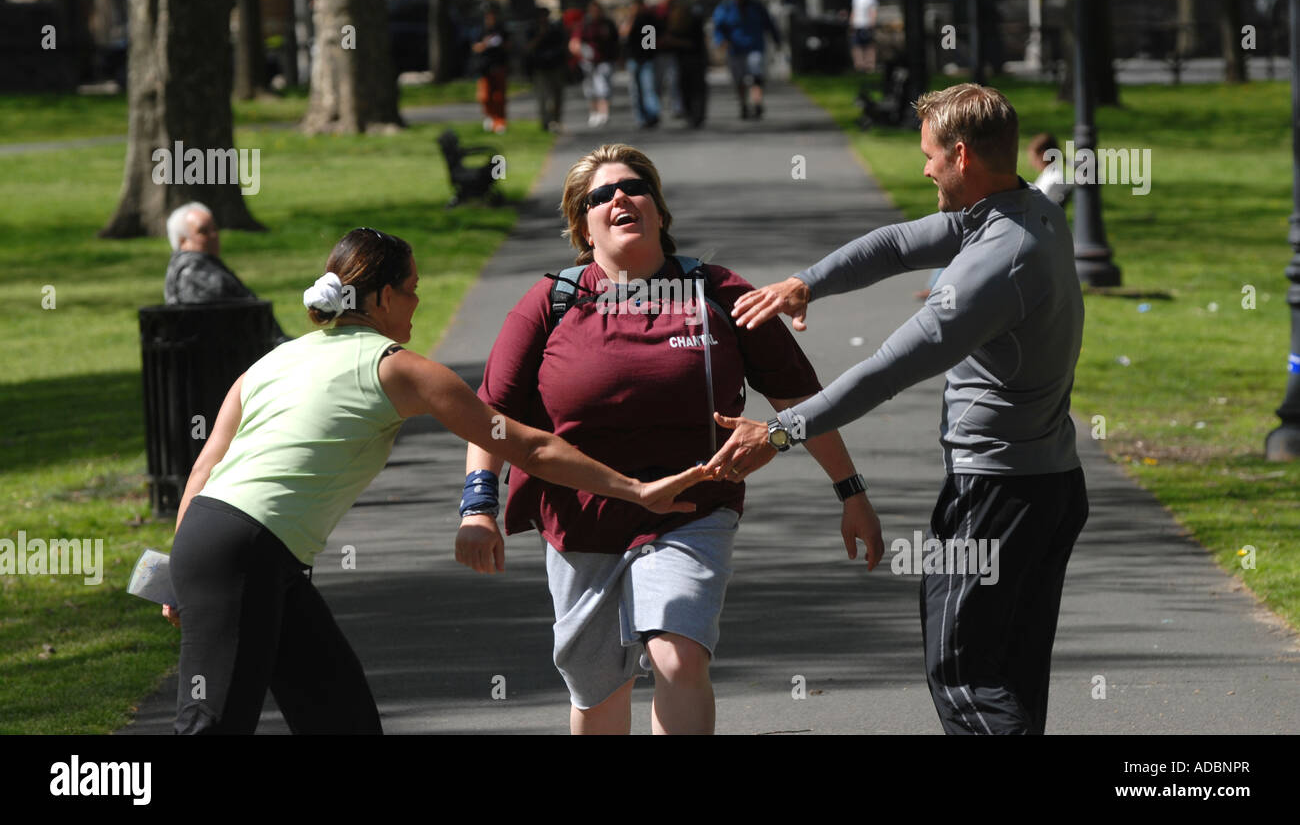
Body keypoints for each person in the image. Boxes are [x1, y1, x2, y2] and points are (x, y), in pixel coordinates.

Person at [162, 227, 705, 734]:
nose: (417, 302)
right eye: (411, 289)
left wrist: (179, 566)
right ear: (380, 300)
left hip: (229, 545)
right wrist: (635, 489)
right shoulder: (396, 368)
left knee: (340, 717)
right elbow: (529, 445)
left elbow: (206, 467)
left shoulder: (273, 361)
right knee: (212, 723)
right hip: (248, 551)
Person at [455, 143, 884, 735]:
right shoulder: (549, 303)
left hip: (692, 510)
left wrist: (850, 491)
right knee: (599, 689)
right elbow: (493, 414)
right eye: (600, 196)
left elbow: (798, 399)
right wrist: (479, 505)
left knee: (678, 656)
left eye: (633, 187)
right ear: (582, 225)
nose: (619, 199)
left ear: (658, 208)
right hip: (581, 518)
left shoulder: (719, 294)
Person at [705, 84, 1089, 736]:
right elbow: (896, 244)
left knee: (964, 675)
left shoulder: (995, 265)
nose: (924, 168)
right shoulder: (1020, 210)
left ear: (962, 156)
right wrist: (808, 283)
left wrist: (777, 433)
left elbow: (886, 369)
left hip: (995, 497)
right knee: (1008, 676)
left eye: (930, 155)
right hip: (1046, 487)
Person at [164, 201, 289, 344]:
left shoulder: (199, 266)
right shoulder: (193, 273)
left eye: (215, 229)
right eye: (203, 231)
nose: (213, 235)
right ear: (183, 241)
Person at [712, 0, 781, 120]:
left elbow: (769, 23)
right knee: (739, 80)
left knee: (756, 76)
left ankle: (757, 104)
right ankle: (743, 105)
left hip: (754, 47)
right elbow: (718, 27)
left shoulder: (756, 6)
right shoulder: (726, 7)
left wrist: (777, 40)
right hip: (735, 49)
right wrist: (720, 40)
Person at [660, 0, 709, 128]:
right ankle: (693, 115)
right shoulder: (673, 23)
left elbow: (694, 44)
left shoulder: (691, 21)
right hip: (685, 60)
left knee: (691, 89)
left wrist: (672, 42)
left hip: (691, 60)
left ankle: (695, 116)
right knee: (689, 89)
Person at [571, 1, 619, 128]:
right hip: (588, 61)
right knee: (590, 88)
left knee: (603, 86)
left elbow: (616, 41)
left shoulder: (607, 24)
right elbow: (575, 42)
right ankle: (594, 113)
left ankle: (604, 113)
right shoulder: (584, 24)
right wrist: (579, 51)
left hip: (605, 60)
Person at [620, 0, 661, 129]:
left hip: (646, 59)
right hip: (633, 58)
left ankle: (652, 115)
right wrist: (631, 18)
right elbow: (623, 34)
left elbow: (651, 41)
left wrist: (648, 55)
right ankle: (641, 118)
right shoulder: (629, 19)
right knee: (636, 91)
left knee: (648, 88)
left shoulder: (649, 18)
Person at [525, 5, 568, 132]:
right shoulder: (532, 29)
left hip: (555, 66)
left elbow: (562, 45)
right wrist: (541, 35)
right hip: (540, 67)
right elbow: (528, 48)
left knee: (557, 95)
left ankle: (556, 120)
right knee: (543, 96)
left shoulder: (555, 28)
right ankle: (545, 121)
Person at [471, 6, 510, 134]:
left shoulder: (501, 30)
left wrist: (500, 43)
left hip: (499, 66)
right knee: (485, 96)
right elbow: (475, 47)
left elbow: (509, 46)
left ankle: (500, 122)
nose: (491, 18)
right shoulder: (481, 30)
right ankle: (489, 117)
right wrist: (486, 43)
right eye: (488, 16)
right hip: (484, 67)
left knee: (499, 96)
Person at [1028, 133, 1070, 206]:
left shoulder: (1053, 179)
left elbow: (1038, 205)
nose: (1032, 163)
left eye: (1034, 158)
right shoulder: (1049, 174)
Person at [849, 0, 880, 74]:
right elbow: (854, 11)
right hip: (857, 25)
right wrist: (851, 23)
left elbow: (873, 10)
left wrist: (872, 22)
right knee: (856, 45)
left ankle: (870, 65)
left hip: (866, 24)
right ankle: (859, 65)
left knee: (869, 45)